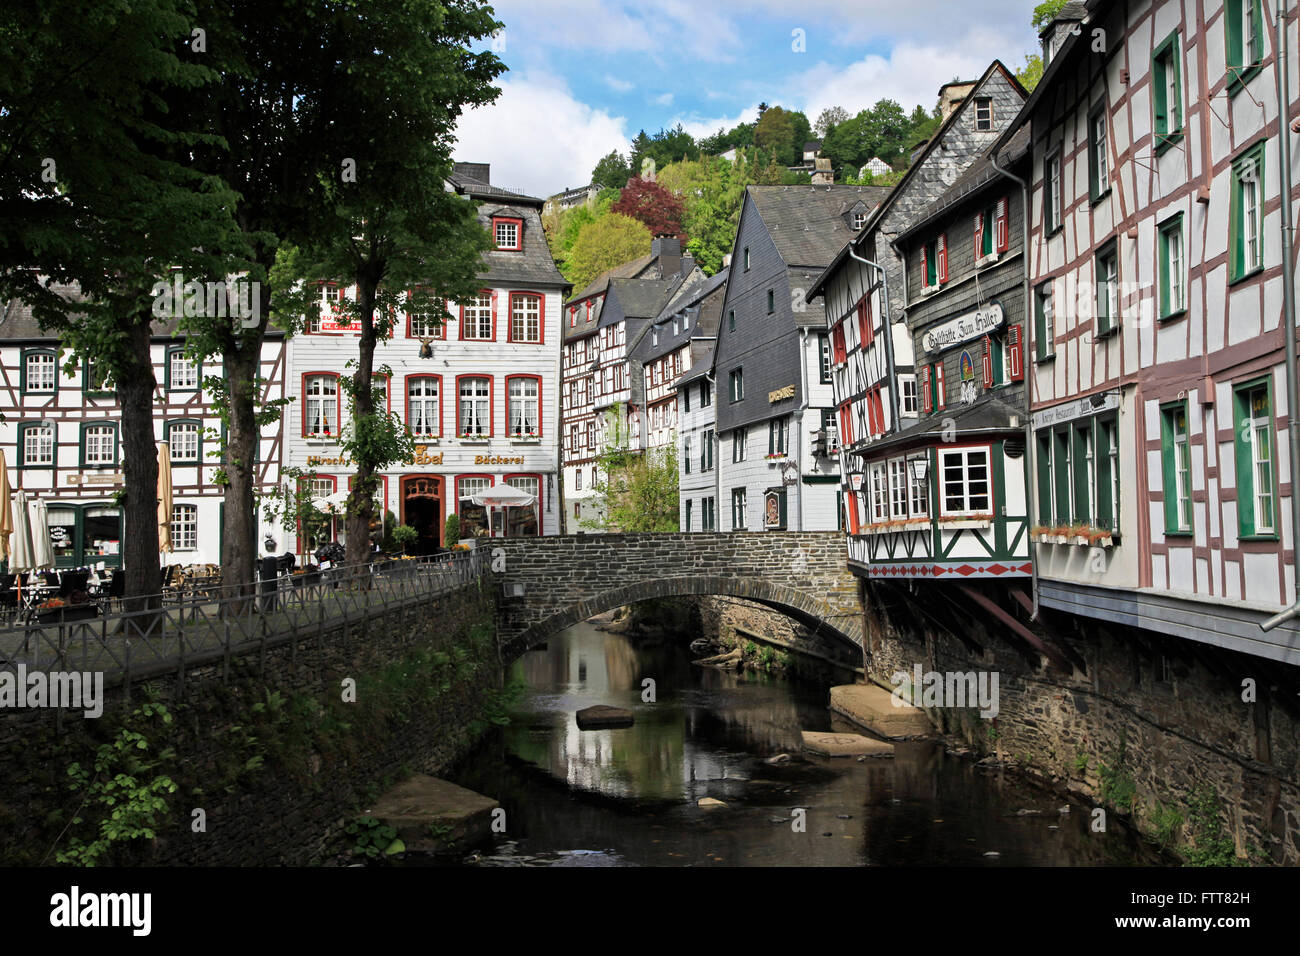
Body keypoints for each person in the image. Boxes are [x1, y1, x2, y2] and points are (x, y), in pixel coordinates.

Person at [258, 539, 280, 613]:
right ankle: (268, 607)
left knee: (269, 588)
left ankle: (269, 607)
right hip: (269, 581)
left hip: (270, 581)